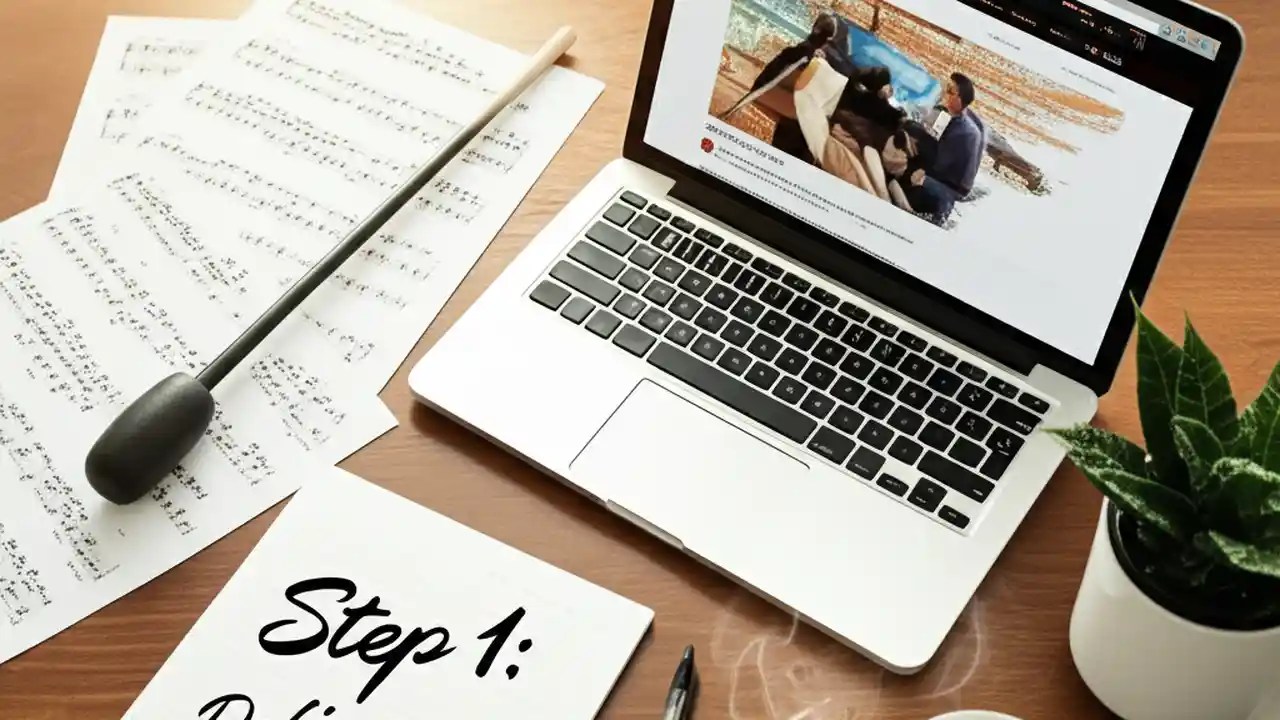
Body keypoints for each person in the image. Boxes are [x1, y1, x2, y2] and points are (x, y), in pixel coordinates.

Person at [904, 72, 986, 225]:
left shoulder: (965, 132)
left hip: (950, 186)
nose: (944, 93)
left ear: (960, 99)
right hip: (943, 171)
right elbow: (933, 136)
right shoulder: (949, 115)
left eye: (950, 91)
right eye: (946, 89)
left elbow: (940, 162)